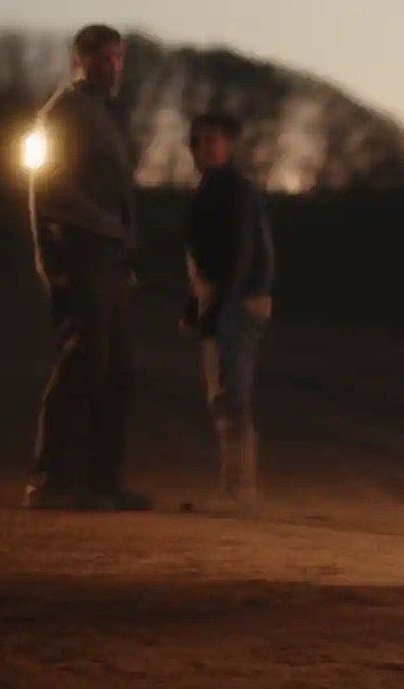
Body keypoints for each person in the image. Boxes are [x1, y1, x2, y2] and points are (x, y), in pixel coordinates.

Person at [24, 24, 152, 511]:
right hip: (81, 250)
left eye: (119, 59)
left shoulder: (105, 116)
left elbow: (120, 196)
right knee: (84, 361)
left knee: (117, 369)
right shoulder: (64, 111)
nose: (114, 68)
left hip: (112, 256)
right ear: (80, 60)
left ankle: (103, 481)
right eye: (104, 59)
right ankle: (51, 478)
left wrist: (128, 245)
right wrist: (54, 258)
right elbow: (47, 188)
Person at [180, 111, 275, 514]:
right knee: (223, 397)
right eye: (201, 141)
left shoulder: (236, 190)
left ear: (227, 144)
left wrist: (223, 302)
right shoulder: (208, 191)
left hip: (236, 301)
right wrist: (195, 305)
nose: (208, 147)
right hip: (222, 302)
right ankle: (232, 486)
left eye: (215, 140)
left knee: (232, 397)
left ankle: (240, 491)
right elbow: (203, 259)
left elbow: (242, 251)